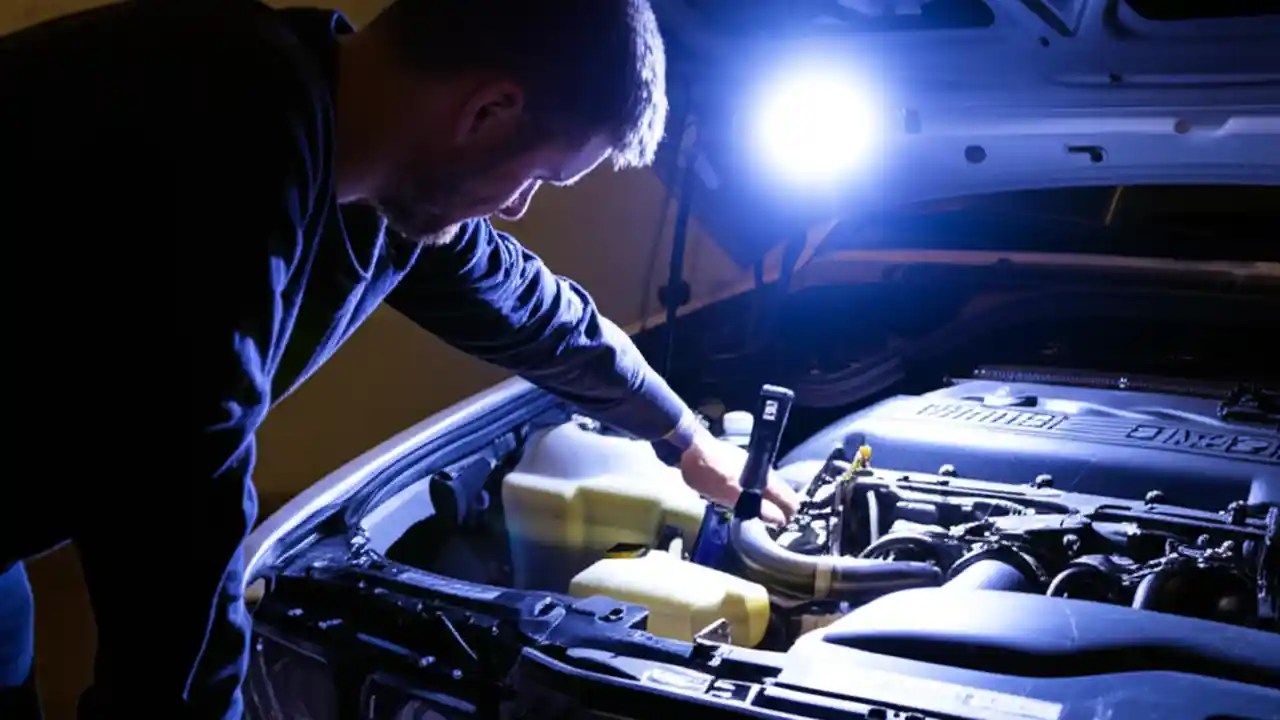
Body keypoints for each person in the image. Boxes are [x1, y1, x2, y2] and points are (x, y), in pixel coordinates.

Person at [0, 0, 800, 717]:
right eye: (539, 177)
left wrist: (687, 442)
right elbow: (180, 499)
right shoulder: (219, 123)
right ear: (487, 109)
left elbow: (540, 312)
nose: (520, 206)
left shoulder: (353, 153)